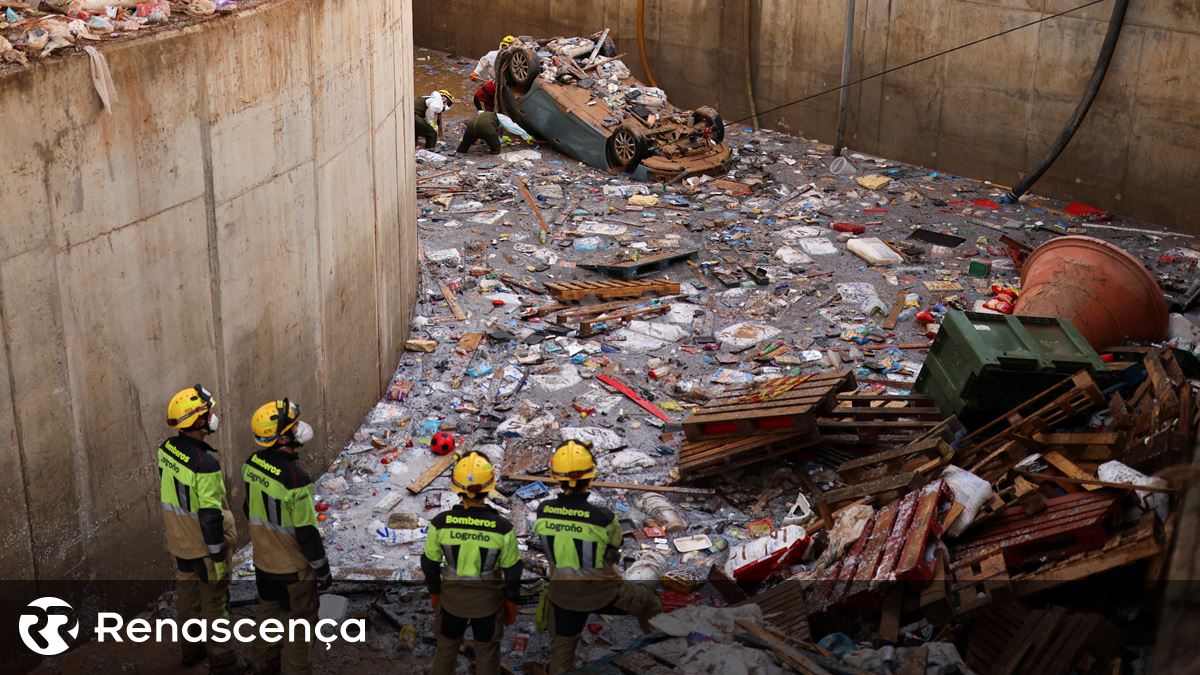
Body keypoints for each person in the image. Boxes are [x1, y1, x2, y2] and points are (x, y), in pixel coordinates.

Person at [533, 440, 663, 674]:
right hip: (604, 593)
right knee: (649, 602)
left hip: (563, 596)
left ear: (556, 476)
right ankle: (662, 651)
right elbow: (616, 546)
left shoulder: (543, 510)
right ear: (590, 476)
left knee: (561, 658)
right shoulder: (603, 518)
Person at [242, 399, 331, 675]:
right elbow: (306, 532)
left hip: (263, 564)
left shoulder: (252, 464)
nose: (300, 429)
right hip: (293, 571)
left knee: (269, 617)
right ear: (282, 437)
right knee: (300, 629)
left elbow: (249, 507)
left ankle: (263, 667)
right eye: (294, 426)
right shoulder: (296, 479)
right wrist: (322, 569)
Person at [157, 385, 240, 675]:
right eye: (208, 413)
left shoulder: (165, 450)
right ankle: (224, 662)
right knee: (215, 604)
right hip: (204, 546)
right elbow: (209, 514)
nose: (212, 417)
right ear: (197, 421)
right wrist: (218, 556)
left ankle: (191, 652)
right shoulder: (205, 465)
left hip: (179, 542)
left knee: (187, 599)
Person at [421, 451, 522, 675]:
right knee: (486, 652)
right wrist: (511, 601)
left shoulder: (440, 523)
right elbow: (513, 571)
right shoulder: (502, 527)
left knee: (446, 649)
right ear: (489, 487)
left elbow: (429, 563)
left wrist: (435, 593)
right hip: (487, 604)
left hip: (451, 603)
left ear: (455, 487)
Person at [456, 110, 533, 155]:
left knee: (464, 144)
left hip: (471, 127)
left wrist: (501, 139)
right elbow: (513, 127)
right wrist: (525, 136)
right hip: (485, 128)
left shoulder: (485, 114)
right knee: (496, 147)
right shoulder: (502, 118)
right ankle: (493, 155)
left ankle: (460, 152)